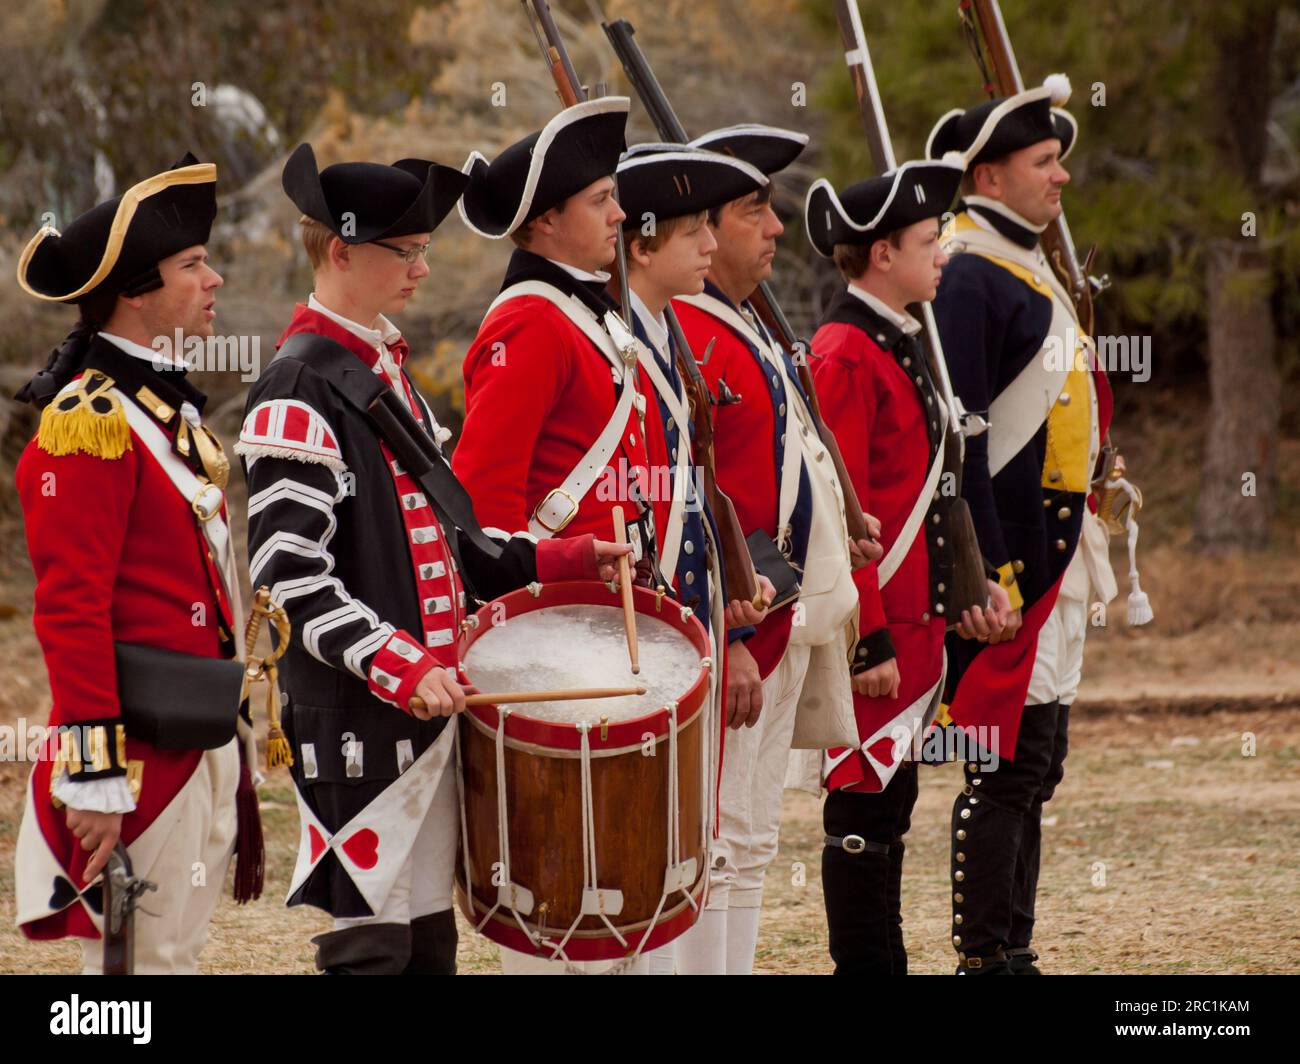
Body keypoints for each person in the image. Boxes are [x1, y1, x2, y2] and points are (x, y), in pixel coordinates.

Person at [237, 144, 630, 974]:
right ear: (341, 251)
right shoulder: (298, 386)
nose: (422, 269)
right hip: (358, 724)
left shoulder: (384, 371)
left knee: (428, 950)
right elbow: (287, 579)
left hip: (420, 719)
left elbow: (450, 547)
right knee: (374, 955)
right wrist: (402, 664)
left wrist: (564, 560)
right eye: (404, 252)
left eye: (423, 250)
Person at [13, 154, 259, 973]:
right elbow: (68, 606)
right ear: (135, 293)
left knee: (172, 958)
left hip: (196, 729)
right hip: (136, 754)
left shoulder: (156, 406)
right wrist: (93, 776)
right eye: (193, 266)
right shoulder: (90, 421)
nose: (215, 279)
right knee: (136, 978)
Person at [671, 124, 877, 974]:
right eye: (756, 210)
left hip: (781, 618)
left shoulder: (742, 324)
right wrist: (732, 635)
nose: (777, 228)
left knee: (750, 842)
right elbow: (695, 498)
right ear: (706, 231)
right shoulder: (686, 330)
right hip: (736, 627)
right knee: (713, 848)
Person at [926, 74, 1116, 974]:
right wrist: (984, 569)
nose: (1061, 178)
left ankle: (1017, 947)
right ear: (989, 177)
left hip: (1057, 553)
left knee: (1037, 765)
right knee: (1000, 770)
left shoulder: (1030, 263)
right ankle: (986, 957)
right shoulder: (968, 272)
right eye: (1044, 163)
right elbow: (959, 433)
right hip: (1012, 562)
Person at [805, 159, 1009, 973]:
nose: (944, 255)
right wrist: (868, 639)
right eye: (930, 241)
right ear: (881, 253)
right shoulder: (846, 352)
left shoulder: (902, 338)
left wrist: (970, 582)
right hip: (879, 630)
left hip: (917, 625)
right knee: (860, 814)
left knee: (891, 810)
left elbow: (933, 491)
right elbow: (841, 516)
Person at [615, 142, 778, 972]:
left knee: (705, 847)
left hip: (688, 629)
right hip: (643, 638)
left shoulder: (665, 335)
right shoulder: (626, 343)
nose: (711, 245)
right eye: (691, 234)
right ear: (640, 246)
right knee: (661, 863)